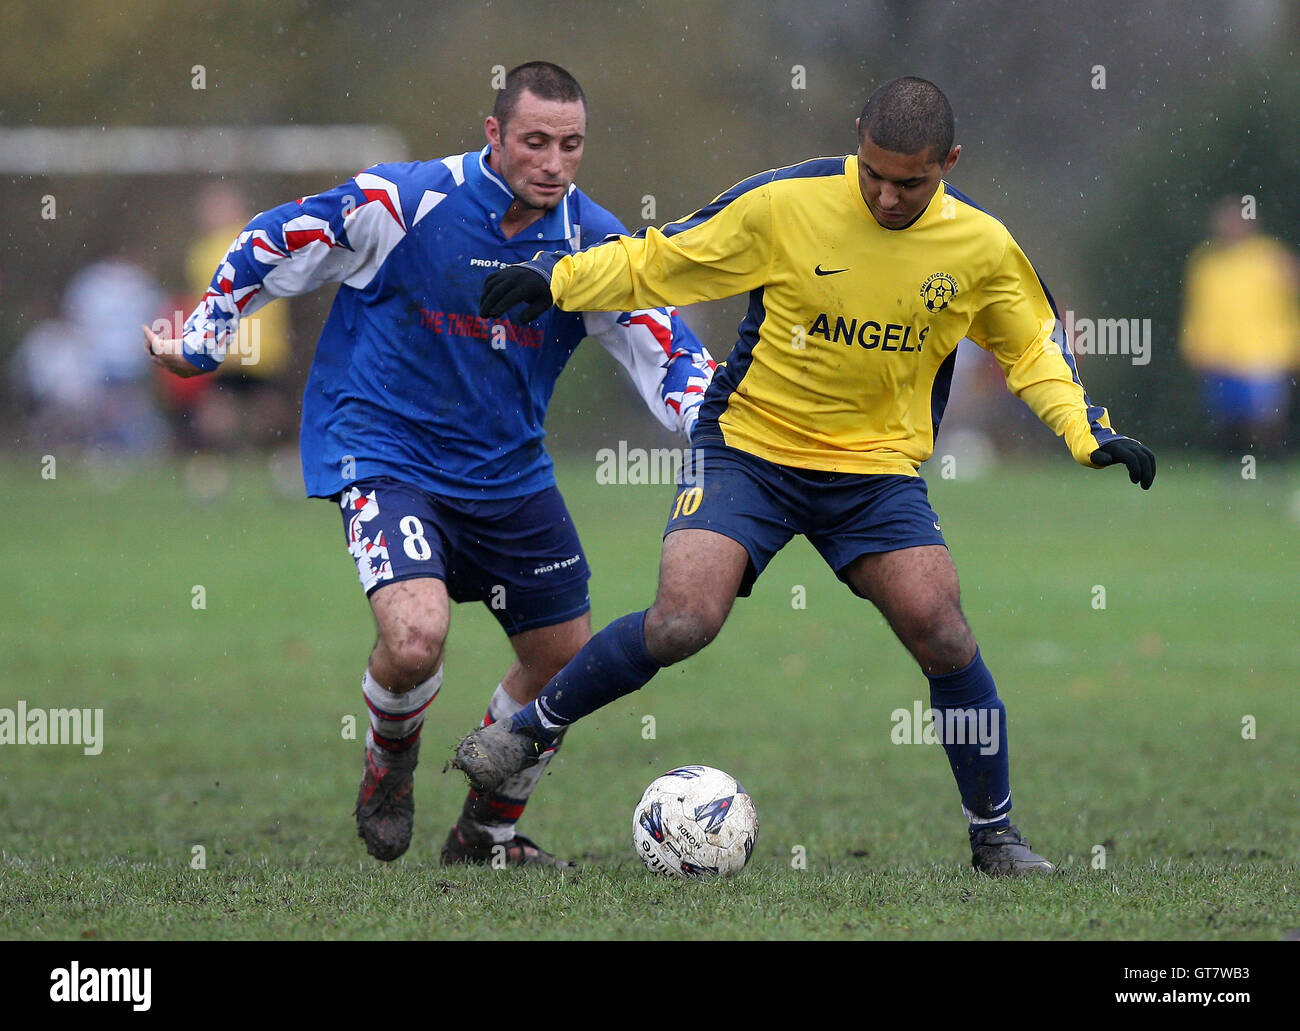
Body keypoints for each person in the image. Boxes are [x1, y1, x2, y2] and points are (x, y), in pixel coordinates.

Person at [455, 76, 1157, 876]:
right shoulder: (787, 203)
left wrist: (1085, 433)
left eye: (911, 182)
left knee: (944, 629)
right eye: (875, 174)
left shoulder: (982, 247)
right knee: (684, 619)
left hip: (874, 471)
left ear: (950, 163)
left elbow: (1033, 346)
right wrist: (557, 281)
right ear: (857, 139)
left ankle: (994, 836)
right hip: (750, 447)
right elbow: (671, 258)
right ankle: (528, 730)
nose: (888, 197)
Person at [144, 61, 715, 867]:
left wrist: (712, 422)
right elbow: (279, 236)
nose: (553, 162)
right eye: (535, 141)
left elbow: (666, 346)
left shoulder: (595, 243)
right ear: (494, 134)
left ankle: (484, 834)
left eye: (571, 145)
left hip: (508, 474)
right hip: (387, 454)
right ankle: (391, 763)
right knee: (415, 639)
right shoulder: (405, 201)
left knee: (562, 663)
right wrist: (207, 334)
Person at [1178, 197, 1300, 459]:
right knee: (1228, 421)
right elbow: (1198, 309)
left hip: (1263, 354)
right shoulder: (1206, 263)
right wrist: (1196, 346)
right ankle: (1236, 475)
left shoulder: (1270, 257)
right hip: (1220, 356)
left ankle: (1270, 473)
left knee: (1267, 420)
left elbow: (1289, 299)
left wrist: (1290, 345)